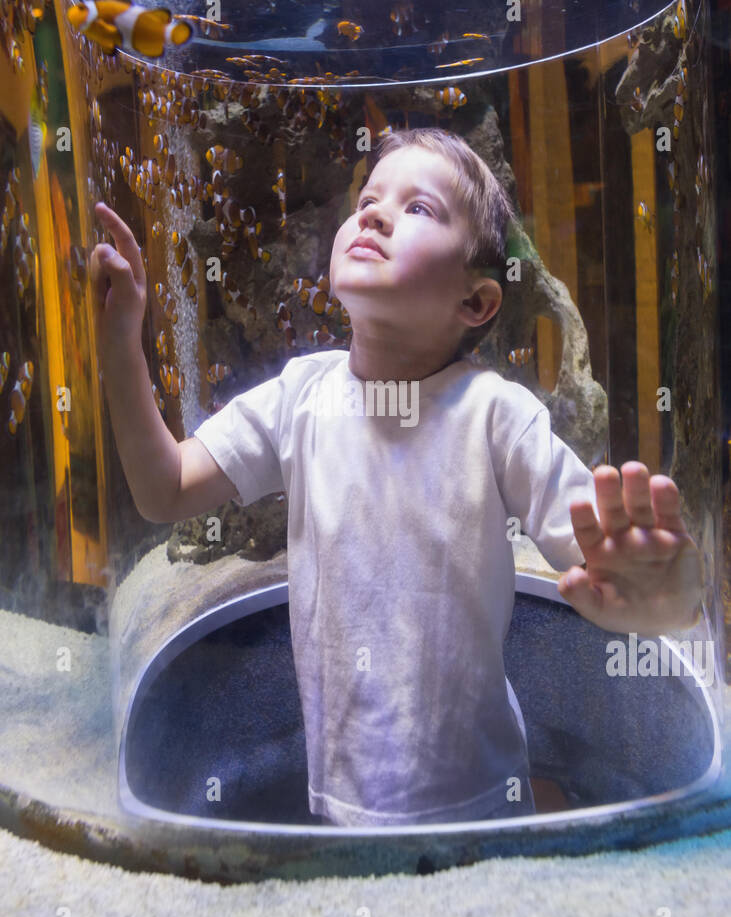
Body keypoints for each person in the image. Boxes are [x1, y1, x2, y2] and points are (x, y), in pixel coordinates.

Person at [91, 128, 703, 828]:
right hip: (338, 799)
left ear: (475, 303)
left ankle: (536, 791)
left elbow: (602, 572)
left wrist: (666, 603)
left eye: (420, 209)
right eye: (369, 199)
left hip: (481, 799)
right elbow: (164, 489)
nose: (375, 214)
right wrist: (121, 347)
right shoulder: (300, 396)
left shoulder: (495, 414)